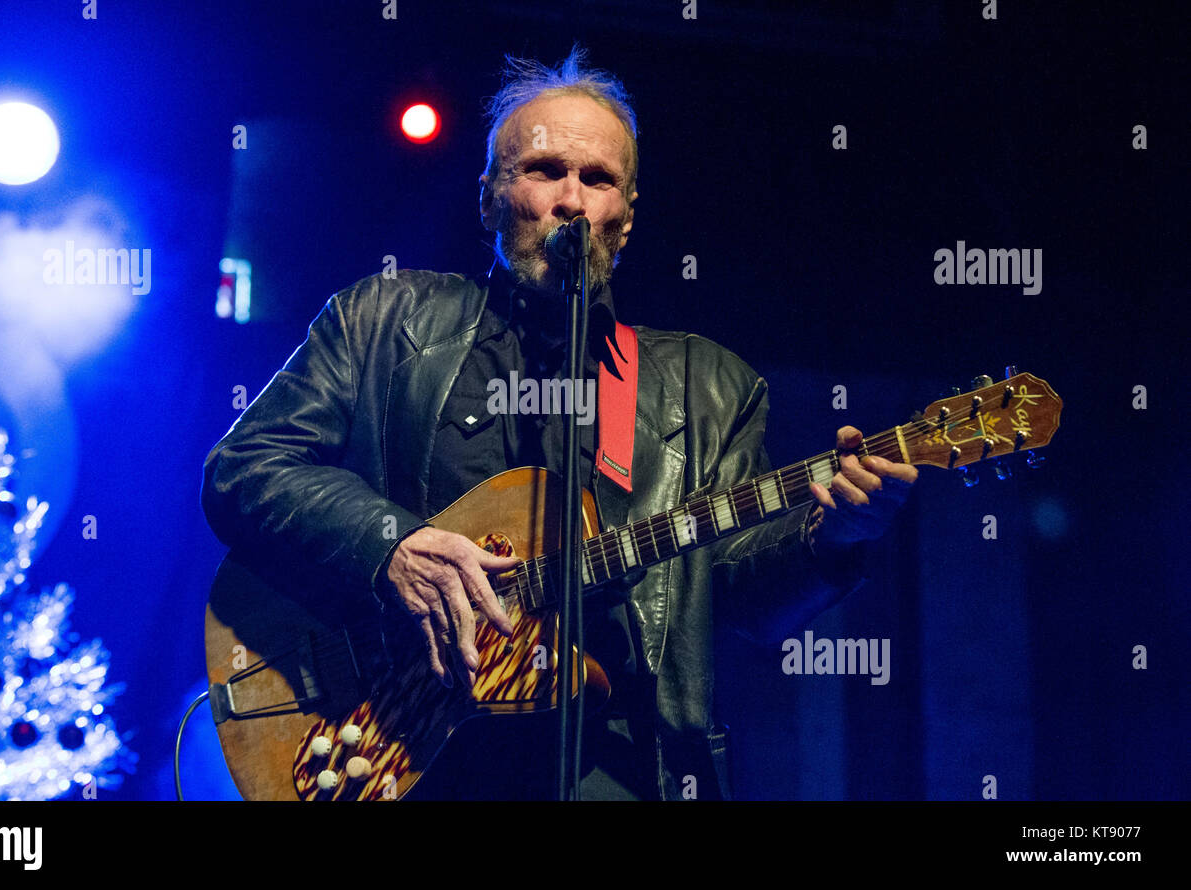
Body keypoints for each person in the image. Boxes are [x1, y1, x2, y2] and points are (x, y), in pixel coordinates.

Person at [201, 47, 917, 800]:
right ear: (489, 198)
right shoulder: (382, 321)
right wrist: (394, 548)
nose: (572, 200)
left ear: (625, 220)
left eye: (599, 179)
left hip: (615, 765)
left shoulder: (706, 388)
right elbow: (244, 469)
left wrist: (832, 540)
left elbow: (735, 599)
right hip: (394, 743)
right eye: (544, 170)